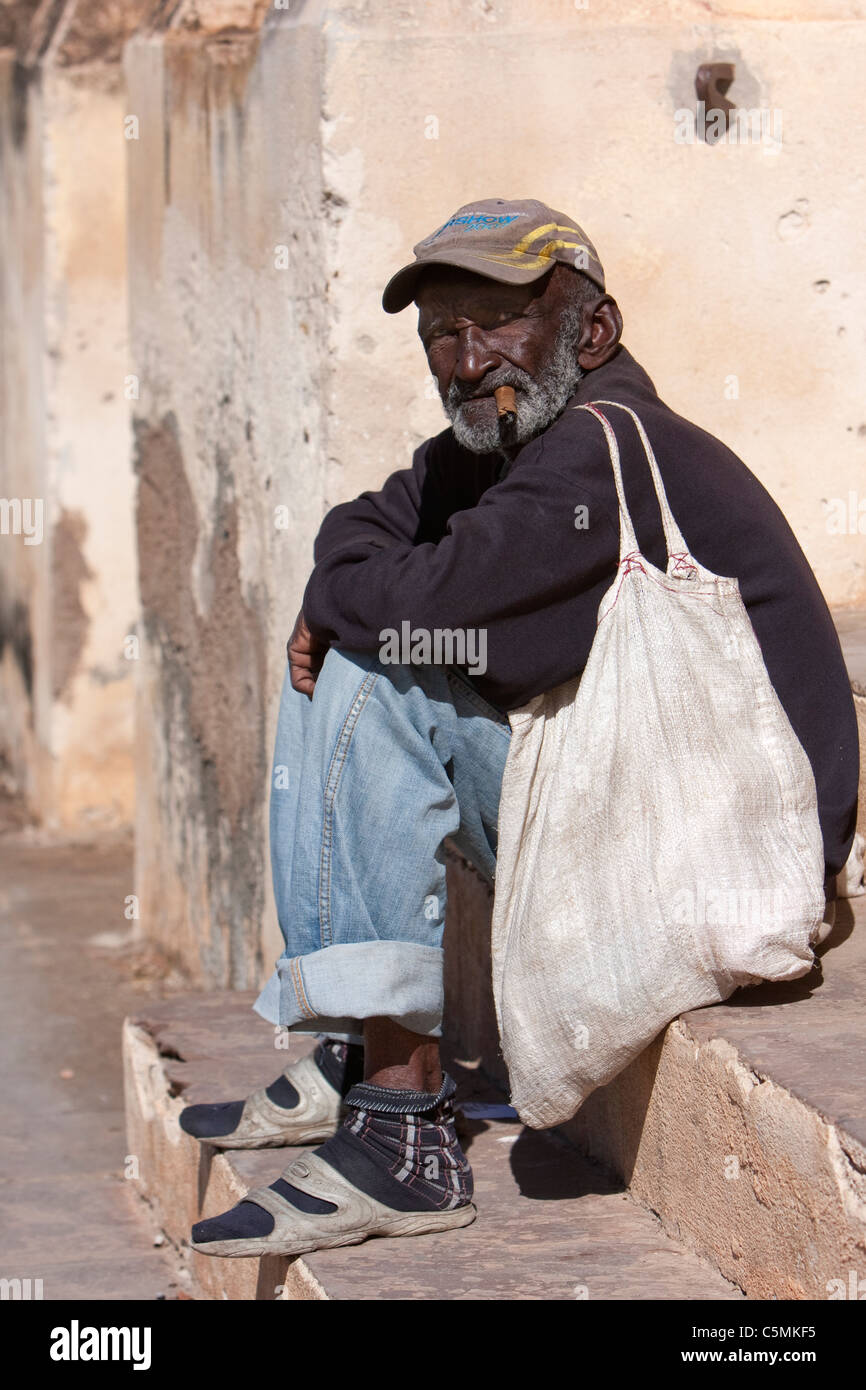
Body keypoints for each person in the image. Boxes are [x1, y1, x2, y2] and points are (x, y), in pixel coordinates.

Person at [181, 198, 859, 1259]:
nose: (463, 358)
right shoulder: (502, 440)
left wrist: (348, 602)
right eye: (441, 333)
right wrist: (343, 590)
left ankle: (402, 1133)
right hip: (645, 828)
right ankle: (368, 1051)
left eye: (497, 323)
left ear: (588, 333)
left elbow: (424, 613)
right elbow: (361, 524)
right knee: (361, 651)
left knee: (377, 672)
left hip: (725, 864)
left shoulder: (599, 448)